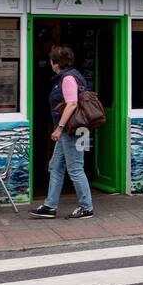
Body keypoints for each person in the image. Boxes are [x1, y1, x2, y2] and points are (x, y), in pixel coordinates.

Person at [30, 44, 94, 219]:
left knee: (75, 169)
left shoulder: (67, 79)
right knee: (56, 166)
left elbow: (72, 103)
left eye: (52, 60)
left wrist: (59, 128)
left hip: (71, 130)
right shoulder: (75, 75)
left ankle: (86, 207)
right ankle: (50, 206)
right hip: (77, 129)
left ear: (55, 63)